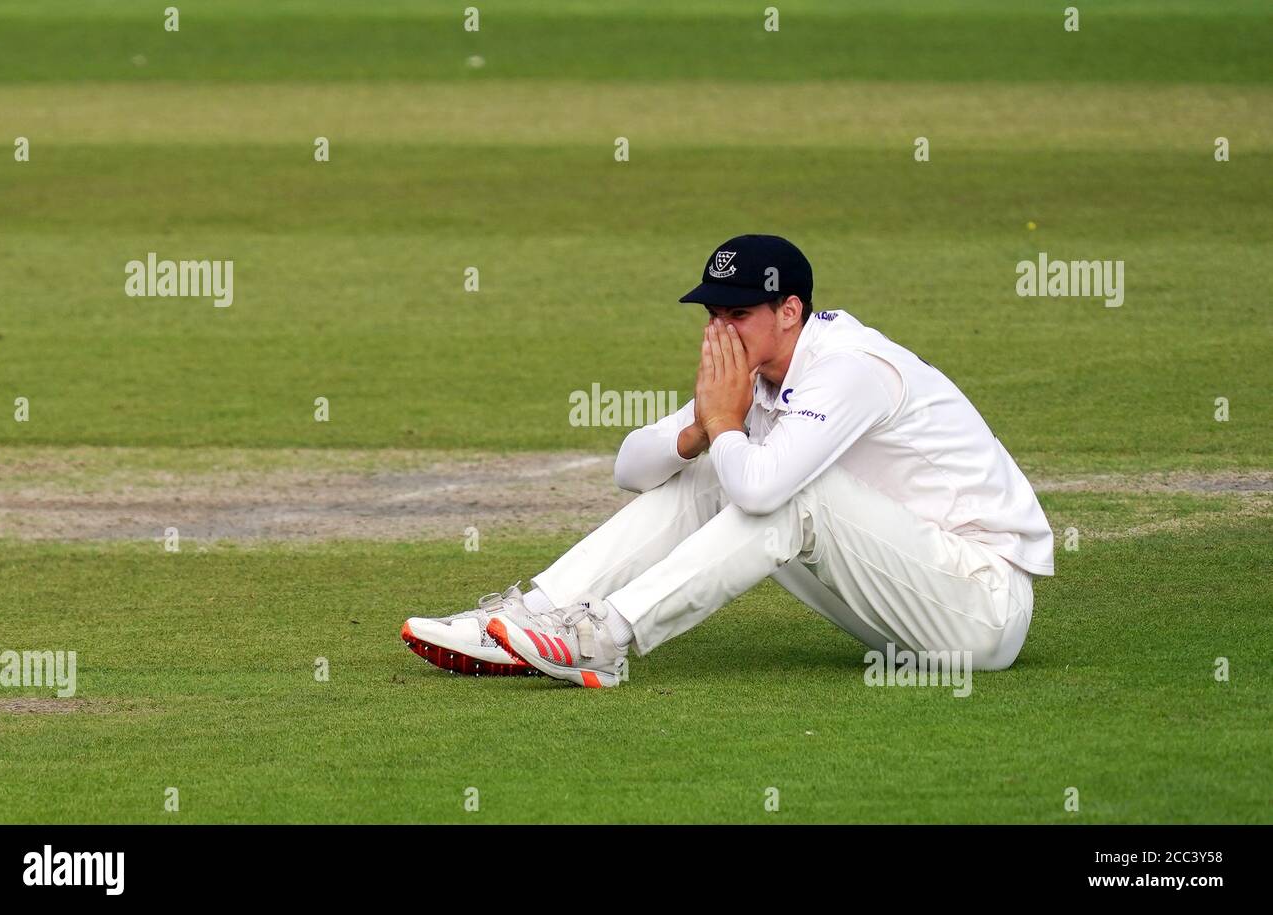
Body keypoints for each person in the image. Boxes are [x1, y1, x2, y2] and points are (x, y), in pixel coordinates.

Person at [402, 234, 1054, 688]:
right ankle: (526, 616)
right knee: (718, 465)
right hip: (900, 603)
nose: (721, 331)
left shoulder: (850, 368)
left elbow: (765, 491)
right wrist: (698, 433)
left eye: (739, 314)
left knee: (785, 490)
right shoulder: (753, 371)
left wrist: (721, 422)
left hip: (980, 604)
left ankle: (604, 637)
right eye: (714, 314)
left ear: (790, 310)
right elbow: (630, 468)